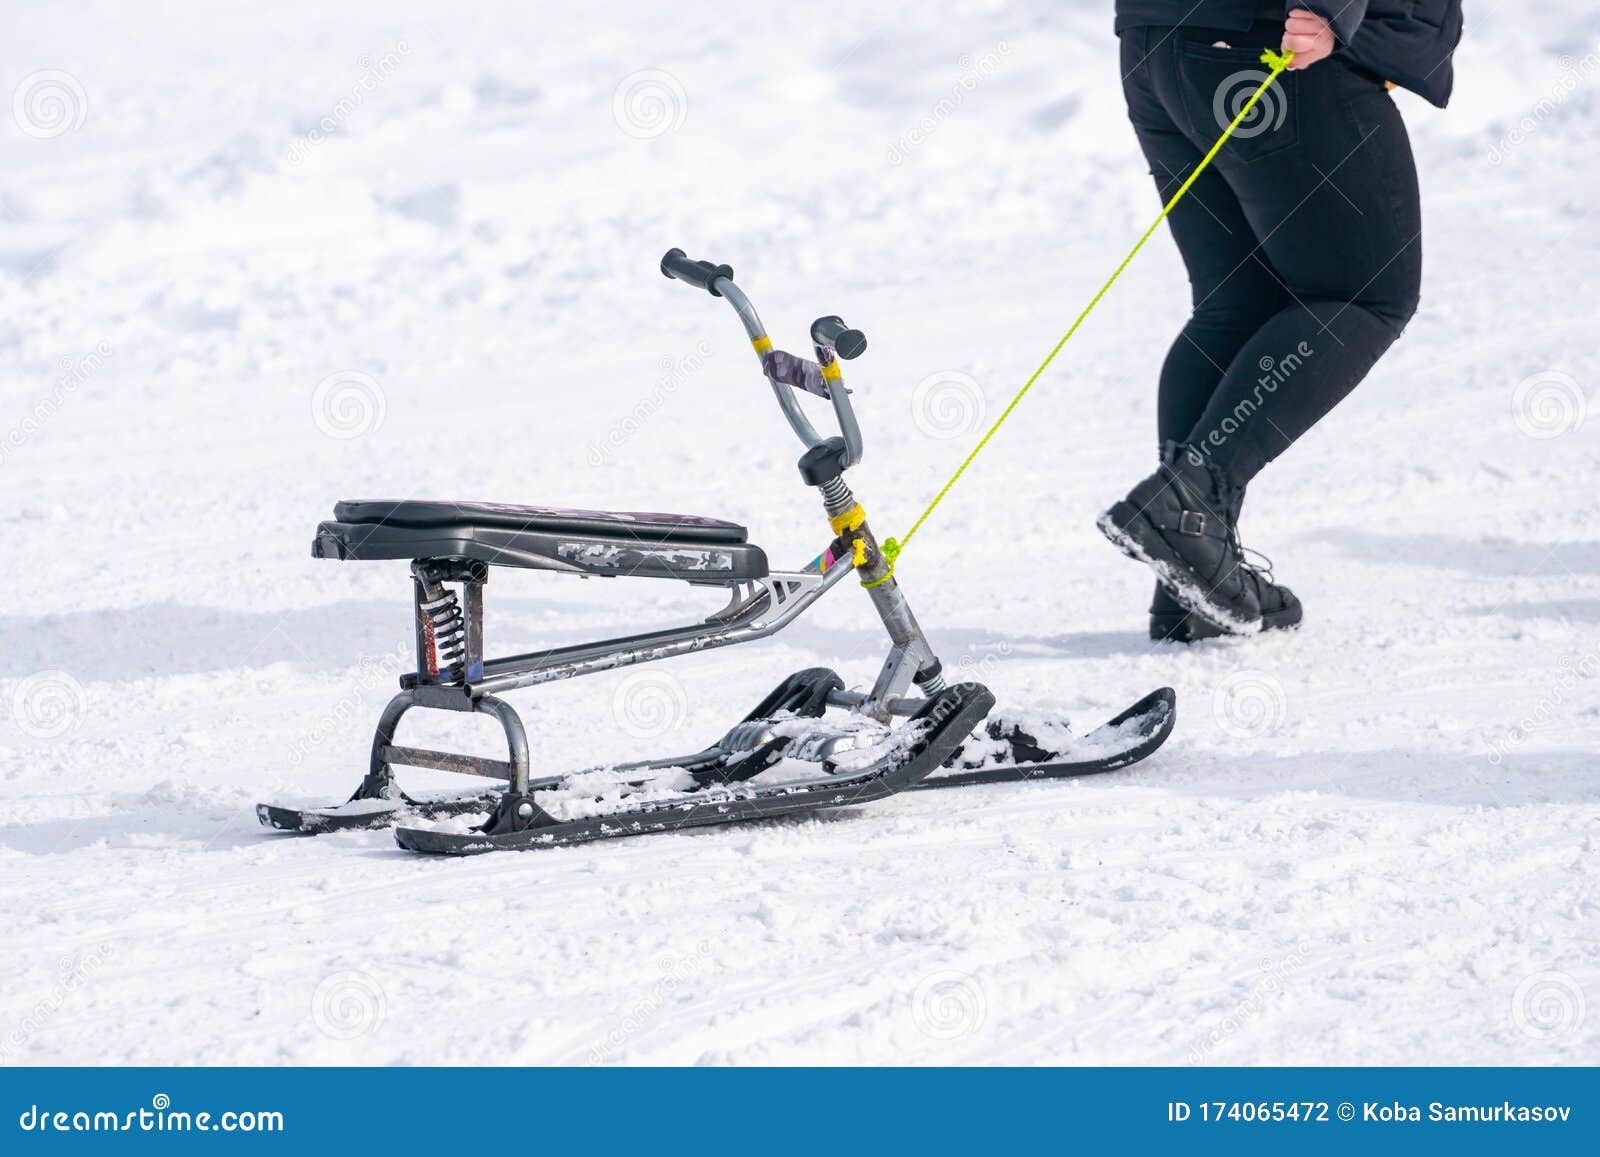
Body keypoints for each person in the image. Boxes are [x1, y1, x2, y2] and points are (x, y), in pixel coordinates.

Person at [1097, 2, 1464, 640]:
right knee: (1363, 293)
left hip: (1159, 46)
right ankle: (1190, 511)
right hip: (1276, 40)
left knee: (1241, 298)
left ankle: (1192, 576)